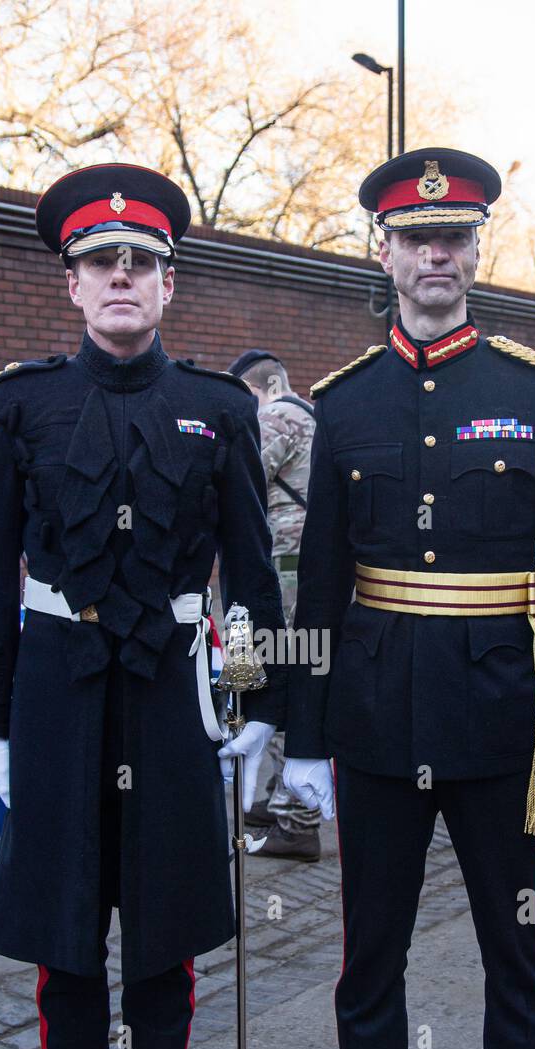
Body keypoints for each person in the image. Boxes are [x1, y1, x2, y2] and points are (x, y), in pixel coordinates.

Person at [282, 148, 535, 1049]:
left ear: (473, 249)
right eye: (414, 237)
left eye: (453, 235)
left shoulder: (529, 395)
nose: (435, 252)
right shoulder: (343, 403)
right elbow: (318, 578)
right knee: (366, 957)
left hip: (498, 724)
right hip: (375, 720)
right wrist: (297, 732)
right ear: (381, 252)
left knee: (514, 959)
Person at [0, 164, 283, 1049]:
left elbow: (254, 571)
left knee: (162, 947)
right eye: (101, 262)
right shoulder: (18, 403)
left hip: (170, 702)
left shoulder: (220, 408)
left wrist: (262, 706)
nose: (121, 278)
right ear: (71, 284)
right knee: (67, 953)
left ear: (167, 284)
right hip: (55, 702)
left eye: (140, 263)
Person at [226, 348, 320, 861]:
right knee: (296, 673)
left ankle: (297, 821)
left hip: (285, 571)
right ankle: (282, 797)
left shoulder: (277, 415)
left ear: (261, 389)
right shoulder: (312, 416)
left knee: (284, 677)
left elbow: (239, 481)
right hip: (301, 571)